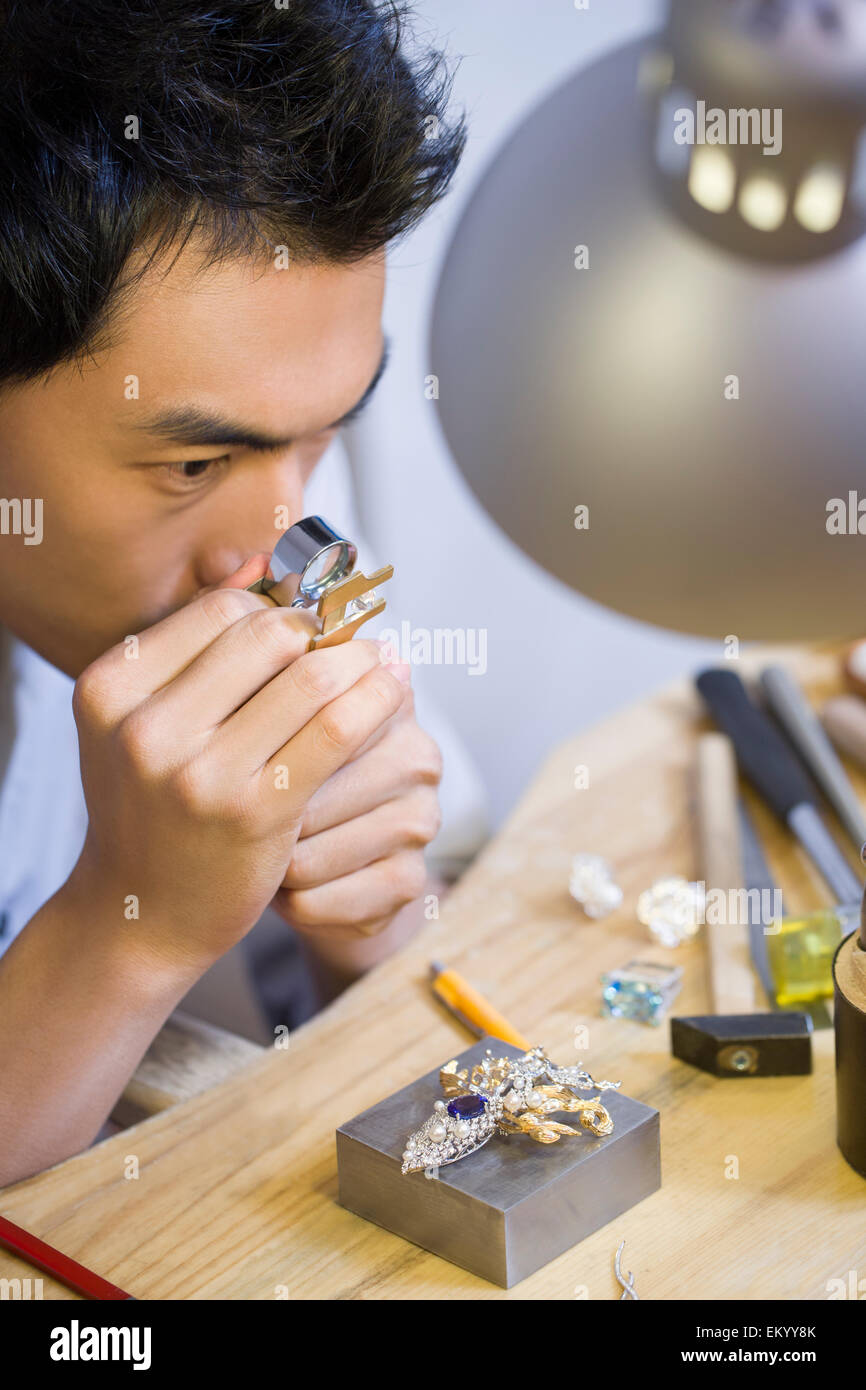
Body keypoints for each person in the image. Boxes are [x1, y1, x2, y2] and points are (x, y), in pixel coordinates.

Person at [0, 0, 466, 1186]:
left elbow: (357, 1061)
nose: (277, 558)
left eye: (321, 437)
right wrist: (128, 926)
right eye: (196, 464)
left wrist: (367, 923)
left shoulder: (267, 553)